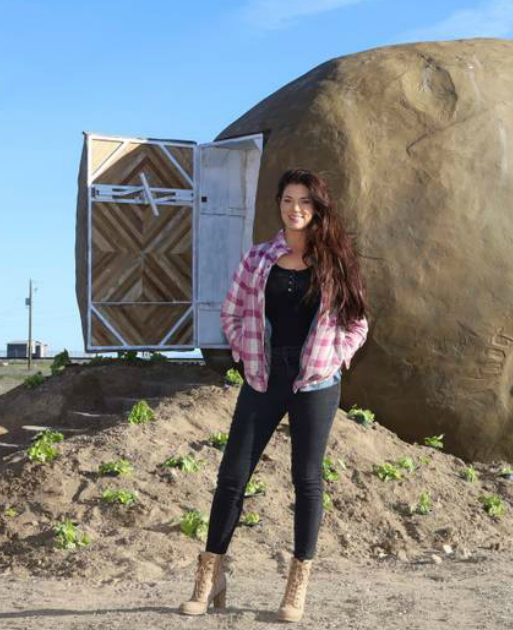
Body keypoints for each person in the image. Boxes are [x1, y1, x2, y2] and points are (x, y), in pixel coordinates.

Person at [179, 169, 370, 622]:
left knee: (306, 481)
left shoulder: (335, 263)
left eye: (304, 201)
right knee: (231, 476)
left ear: (317, 208)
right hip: (264, 377)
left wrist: (335, 357)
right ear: (279, 204)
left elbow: (358, 322)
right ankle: (210, 576)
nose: (295, 208)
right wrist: (246, 354)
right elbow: (232, 312)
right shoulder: (258, 259)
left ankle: (296, 587)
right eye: (288, 199)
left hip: (315, 383)